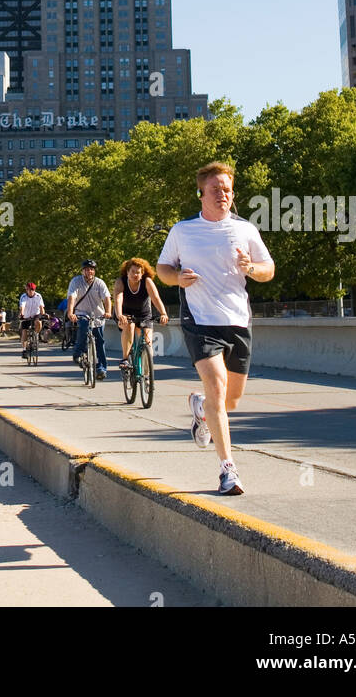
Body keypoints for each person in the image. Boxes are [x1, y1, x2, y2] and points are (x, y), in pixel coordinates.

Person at [156, 161, 275, 497]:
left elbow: (269, 269)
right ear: (201, 194)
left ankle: (201, 408)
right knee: (217, 386)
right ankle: (228, 470)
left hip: (237, 320)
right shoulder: (183, 230)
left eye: (227, 189)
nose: (223, 194)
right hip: (200, 320)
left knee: (230, 400)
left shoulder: (245, 229)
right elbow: (163, 268)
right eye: (215, 189)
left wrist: (251, 267)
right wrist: (176, 278)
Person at [112, 258, 168, 369]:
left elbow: (156, 298)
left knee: (148, 343)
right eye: (132, 271)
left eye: (138, 272)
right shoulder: (121, 281)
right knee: (129, 326)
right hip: (124, 313)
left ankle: (146, 377)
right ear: (127, 272)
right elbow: (118, 299)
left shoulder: (147, 282)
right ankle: (125, 358)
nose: (135, 274)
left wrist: (163, 313)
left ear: (142, 274)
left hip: (144, 314)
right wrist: (119, 315)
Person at [66, 260, 112, 380]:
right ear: (82, 271)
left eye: (91, 269)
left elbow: (107, 298)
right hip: (82, 313)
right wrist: (71, 312)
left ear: (94, 271)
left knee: (100, 342)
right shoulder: (76, 281)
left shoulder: (100, 283)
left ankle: (101, 368)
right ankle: (78, 353)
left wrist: (108, 312)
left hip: (98, 316)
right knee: (84, 327)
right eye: (86, 269)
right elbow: (72, 297)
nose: (89, 271)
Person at [18, 282, 45, 359]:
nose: (30, 291)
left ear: (34, 289)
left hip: (35, 314)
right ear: (26, 290)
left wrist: (43, 314)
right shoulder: (23, 297)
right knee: (24, 331)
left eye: (32, 289)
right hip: (26, 315)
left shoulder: (38, 296)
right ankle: (24, 350)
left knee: (39, 322)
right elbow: (22, 307)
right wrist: (22, 315)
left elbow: (41, 307)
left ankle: (36, 335)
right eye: (29, 289)